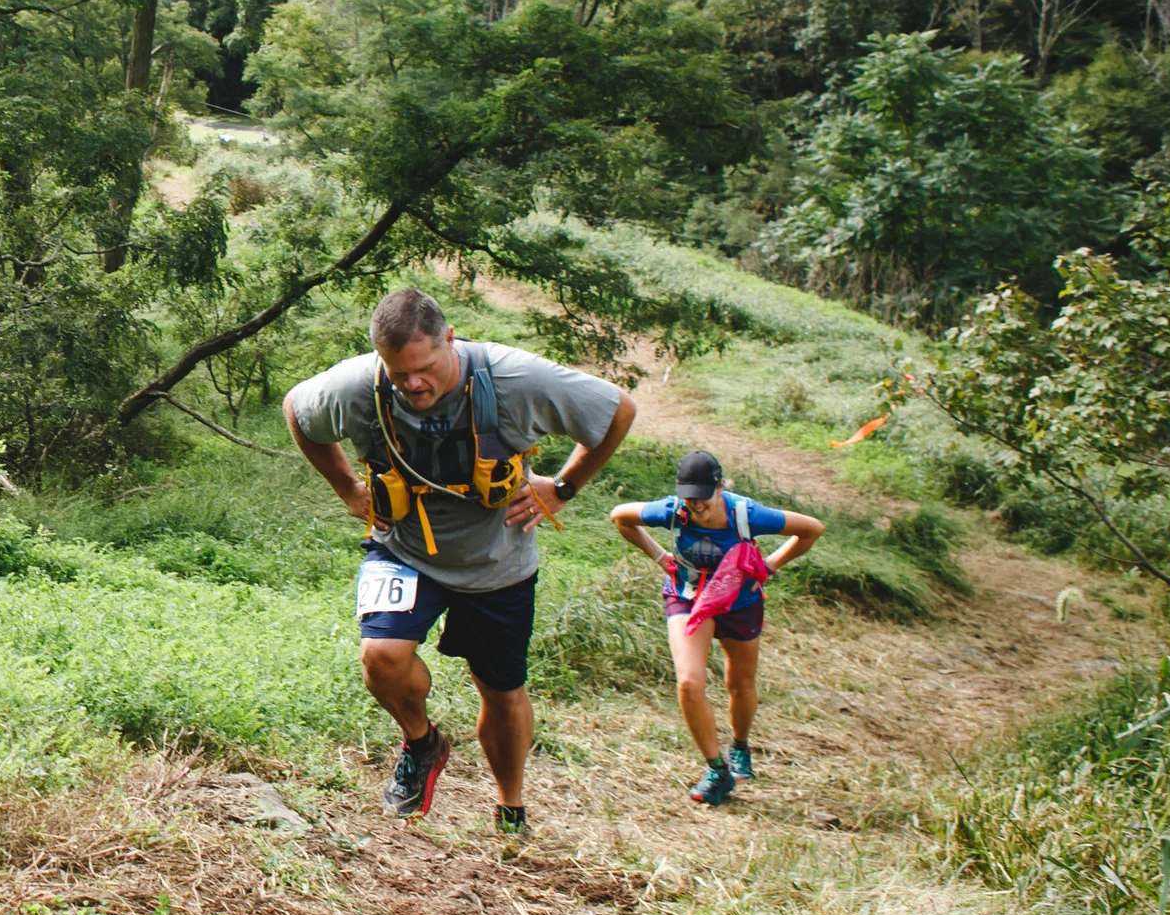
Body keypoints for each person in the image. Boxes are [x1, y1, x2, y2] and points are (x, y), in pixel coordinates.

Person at [284, 288, 637, 834]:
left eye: (423, 368)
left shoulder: (515, 379)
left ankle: (510, 807)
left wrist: (562, 488)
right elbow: (297, 412)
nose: (413, 384)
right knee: (381, 656)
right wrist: (348, 488)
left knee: (500, 689)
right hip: (403, 548)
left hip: (497, 562)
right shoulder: (359, 385)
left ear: (450, 340)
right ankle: (422, 744)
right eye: (399, 373)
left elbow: (618, 408)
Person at [610, 450, 825, 806]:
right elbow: (620, 517)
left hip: (739, 602)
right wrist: (661, 557)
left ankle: (740, 746)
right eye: (689, 498)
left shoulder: (746, 514)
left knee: (739, 684)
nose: (696, 507)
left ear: (720, 487)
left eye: (703, 499)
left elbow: (811, 529)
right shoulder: (674, 510)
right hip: (689, 598)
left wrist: (769, 566)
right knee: (689, 682)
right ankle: (717, 770)